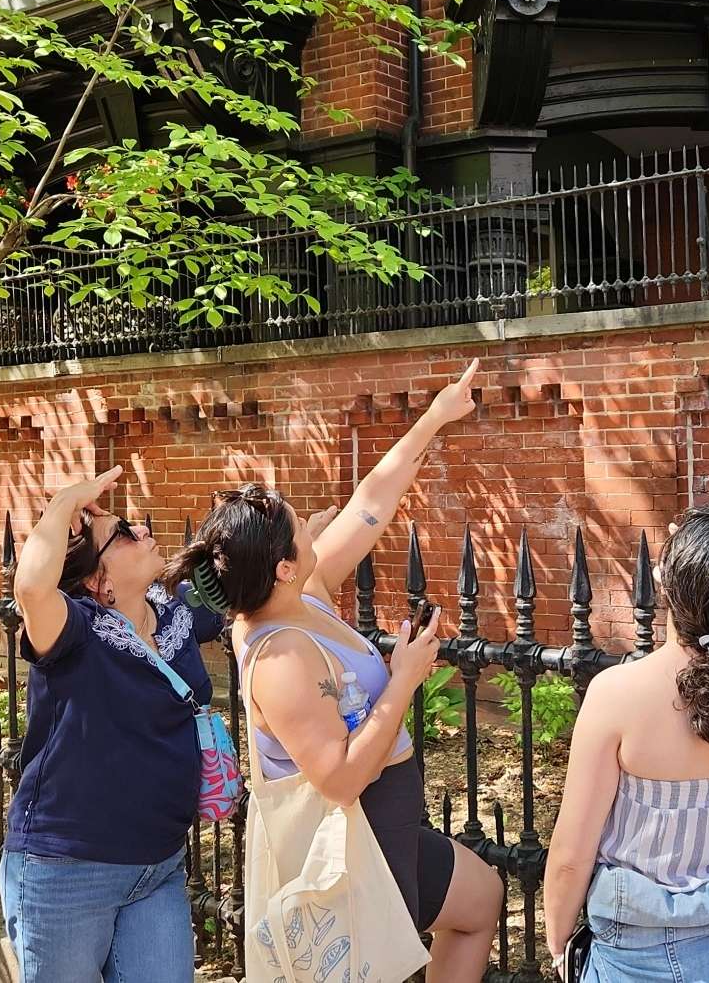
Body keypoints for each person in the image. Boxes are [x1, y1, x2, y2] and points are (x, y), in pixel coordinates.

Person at [166, 359, 502, 982]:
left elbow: (373, 500)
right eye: (296, 524)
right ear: (283, 568)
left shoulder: (303, 592)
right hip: (353, 841)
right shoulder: (280, 658)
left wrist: (436, 415)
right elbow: (340, 779)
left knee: (480, 898)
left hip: (392, 821)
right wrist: (403, 679)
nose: (309, 518)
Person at [542, 504, 709, 983]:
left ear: (664, 588)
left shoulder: (618, 694)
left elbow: (570, 853)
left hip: (641, 953)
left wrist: (558, 938)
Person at [1, 464, 219, 982]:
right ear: (98, 581)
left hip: (157, 866)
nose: (143, 530)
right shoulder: (76, 629)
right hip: (68, 872)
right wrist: (63, 504)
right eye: (123, 534)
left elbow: (261, 582)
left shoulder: (173, 613)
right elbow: (32, 589)